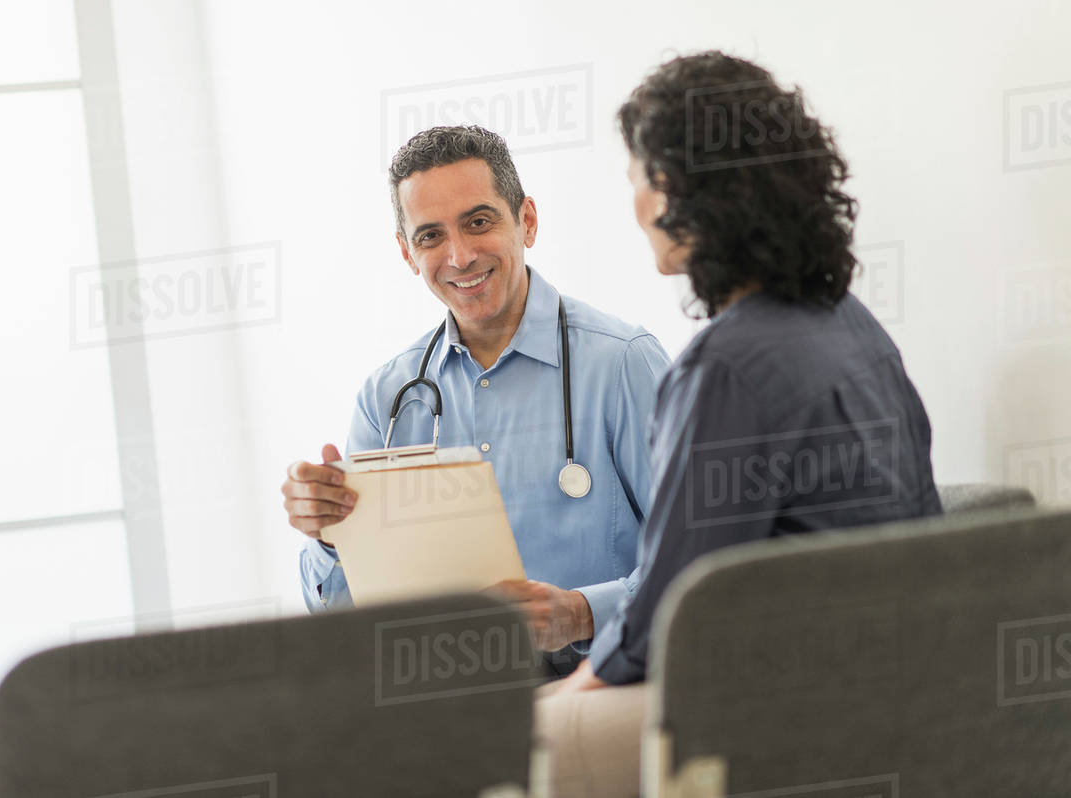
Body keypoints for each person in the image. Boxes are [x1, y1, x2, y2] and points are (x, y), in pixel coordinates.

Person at [534, 51, 943, 796]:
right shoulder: (852, 326)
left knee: (482, 752)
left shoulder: (727, 369)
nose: (635, 206)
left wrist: (559, 703)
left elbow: (667, 619)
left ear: (695, 194)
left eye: (642, 179)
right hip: (900, 698)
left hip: (782, 720)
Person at [280, 125, 670, 670]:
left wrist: (582, 613)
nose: (459, 256)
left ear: (526, 221)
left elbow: (698, 566)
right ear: (406, 252)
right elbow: (348, 617)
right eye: (430, 236)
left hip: (599, 687)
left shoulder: (623, 363)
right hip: (450, 709)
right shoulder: (387, 399)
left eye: (478, 222)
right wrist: (327, 538)